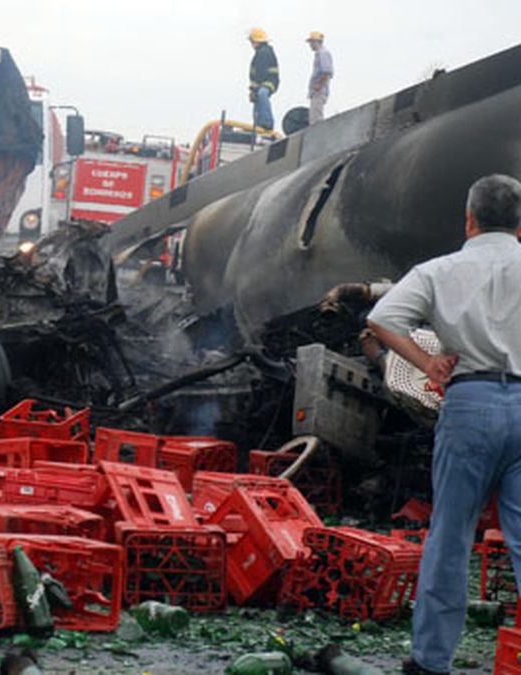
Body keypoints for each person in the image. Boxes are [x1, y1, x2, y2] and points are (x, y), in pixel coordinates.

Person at [366, 174, 521, 675]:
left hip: (469, 404)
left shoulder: (439, 270)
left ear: (469, 220)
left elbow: (383, 319)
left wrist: (427, 363)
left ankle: (431, 661)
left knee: (450, 536)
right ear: (520, 225)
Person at [247, 28, 279, 131]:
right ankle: (258, 124)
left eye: (252, 41)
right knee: (258, 97)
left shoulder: (264, 52)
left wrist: (254, 89)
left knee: (262, 94)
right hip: (262, 84)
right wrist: (253, 90)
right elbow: (254, 75)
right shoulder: (259, 53)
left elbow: (260, 74)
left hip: (269, 82)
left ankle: (266, 122)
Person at [306, 31, 334, 123]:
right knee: (314, 117)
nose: (310, 45)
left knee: (316, 120)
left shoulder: (323, 54)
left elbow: (326, 72)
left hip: (319, 92)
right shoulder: (320, 54)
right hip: (317, 91)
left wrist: (319, 86)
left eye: (311, 42)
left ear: (316, 42)